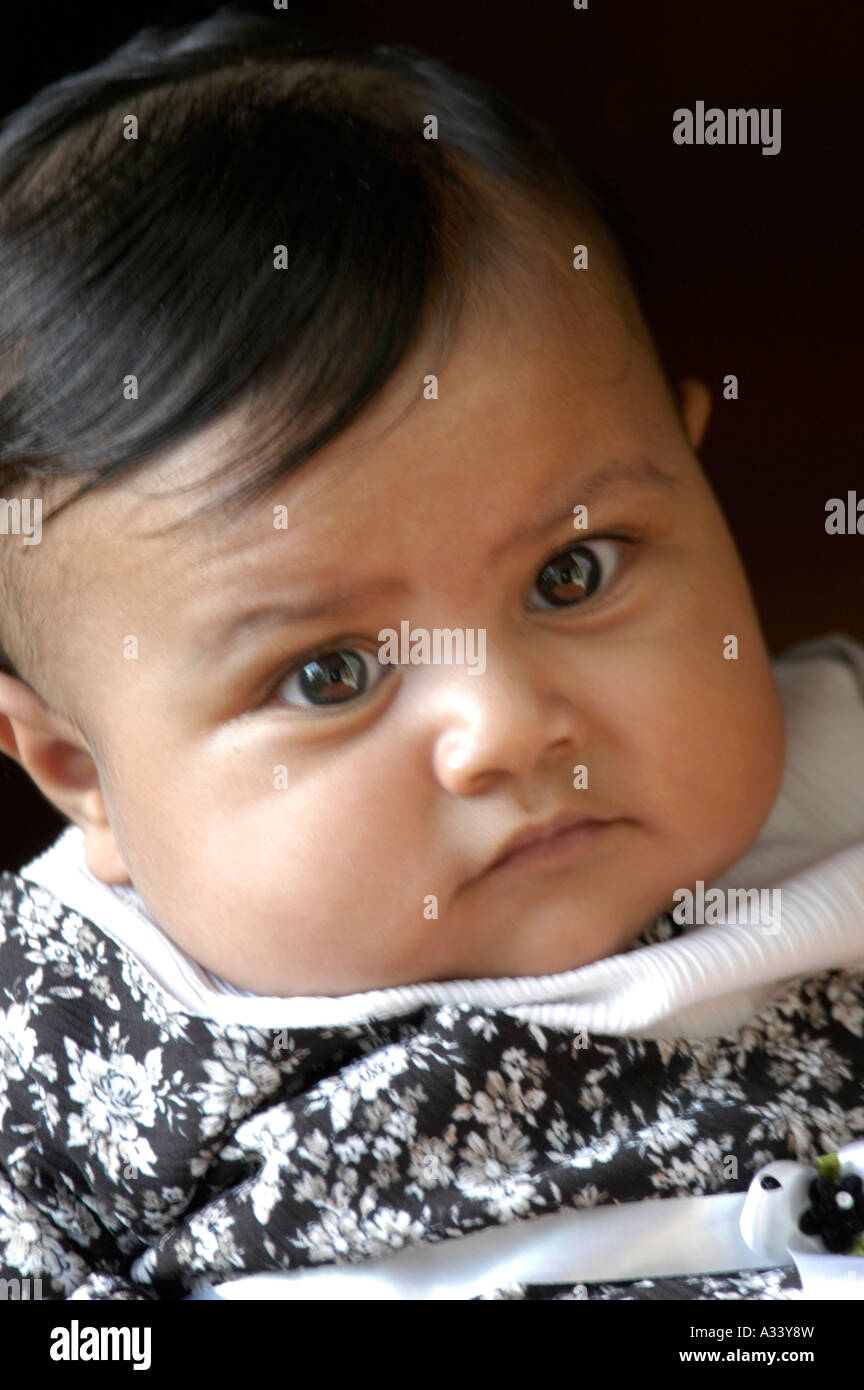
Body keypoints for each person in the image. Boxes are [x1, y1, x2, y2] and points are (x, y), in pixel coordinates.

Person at [1, 8, 862, 1301]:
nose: (506, 726)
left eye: (573, 572)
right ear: (84, 772)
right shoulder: (65, 1033)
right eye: (329, 674)